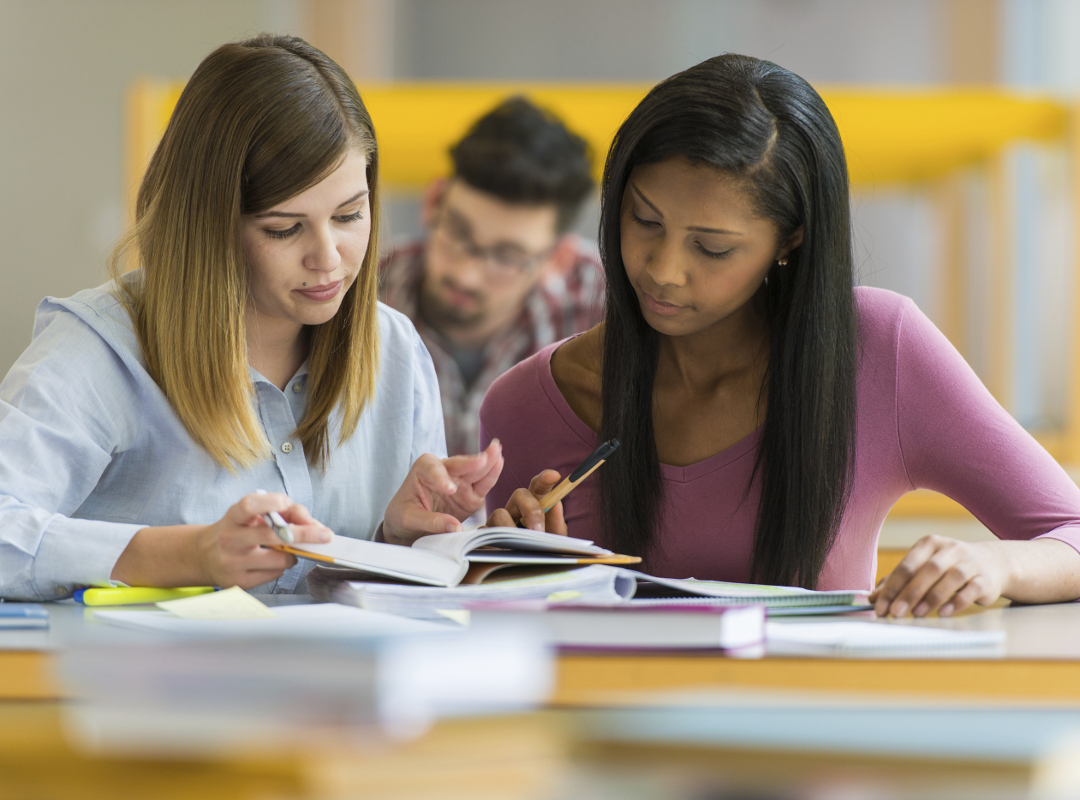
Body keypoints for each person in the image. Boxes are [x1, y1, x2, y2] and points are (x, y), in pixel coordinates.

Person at [479, 54, 1080, 618]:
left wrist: (996, 562)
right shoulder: (525, 406)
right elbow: (506, 634)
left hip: (815, 722)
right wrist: (508, 570)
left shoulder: (879, 350)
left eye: (712, 248)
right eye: (645, 220)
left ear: (790, 240)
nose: (663, 270)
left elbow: (1071, 533)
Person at [0, 34, 502, 601]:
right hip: (148, 687)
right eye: (283, 229)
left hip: (338, 689)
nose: (328, 258)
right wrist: (187, 555)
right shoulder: (104, 350)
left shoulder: (396, 352)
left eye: (348, 215)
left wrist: (398, 538)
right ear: (210, 226)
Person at [379, 96, 603, 456]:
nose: (466, 275)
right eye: (458, 233)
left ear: (557, 258)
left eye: (507, 256)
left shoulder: (603, 309)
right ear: (434, 201)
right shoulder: (359, 295)